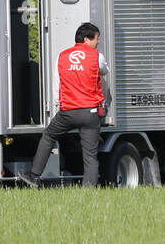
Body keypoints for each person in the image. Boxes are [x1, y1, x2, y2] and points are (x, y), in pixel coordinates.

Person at [20, 22, 110, 188]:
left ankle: (34, 176)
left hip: (68, 112)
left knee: (48, 136)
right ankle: (88, 190)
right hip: (90, 113)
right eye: (96, 38)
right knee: (90, 155)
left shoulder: (62, 56)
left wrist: (58, 106)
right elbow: (104, 71)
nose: (98, 42)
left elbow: (57, 84)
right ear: (86, 39)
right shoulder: (97, 56)